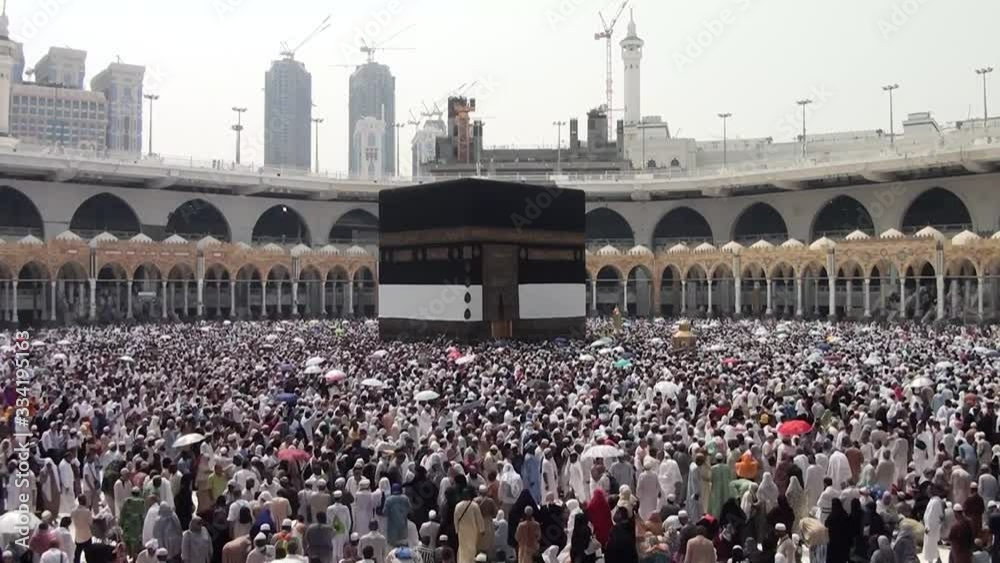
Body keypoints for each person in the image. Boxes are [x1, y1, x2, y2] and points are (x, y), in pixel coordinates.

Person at [454, 489, 485, 563]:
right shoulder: (474, 505)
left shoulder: (458, 505)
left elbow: (455, 519)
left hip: (462, 530)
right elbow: (479, 518)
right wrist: (482, 529)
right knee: (472, 547)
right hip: (472, 530)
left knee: (462, 548)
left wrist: (457, 530)